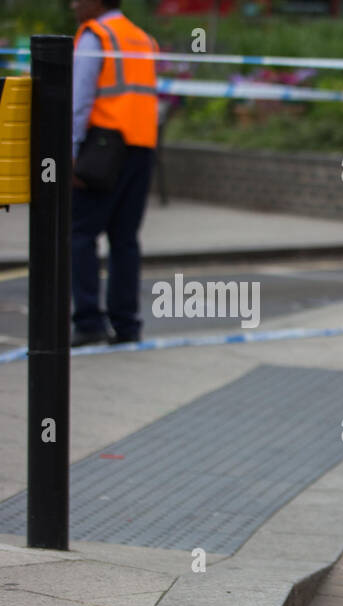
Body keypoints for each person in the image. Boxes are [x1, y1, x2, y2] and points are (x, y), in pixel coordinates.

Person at [69, 0, 159, 348]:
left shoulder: (97, 36)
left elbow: (79, 99)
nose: (73, 4)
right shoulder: (143, 39)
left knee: (80, 234)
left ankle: (89, 321)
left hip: (103, 147)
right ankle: (126, 324)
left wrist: (71, 153)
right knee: (125, 239)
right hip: (141, 146)